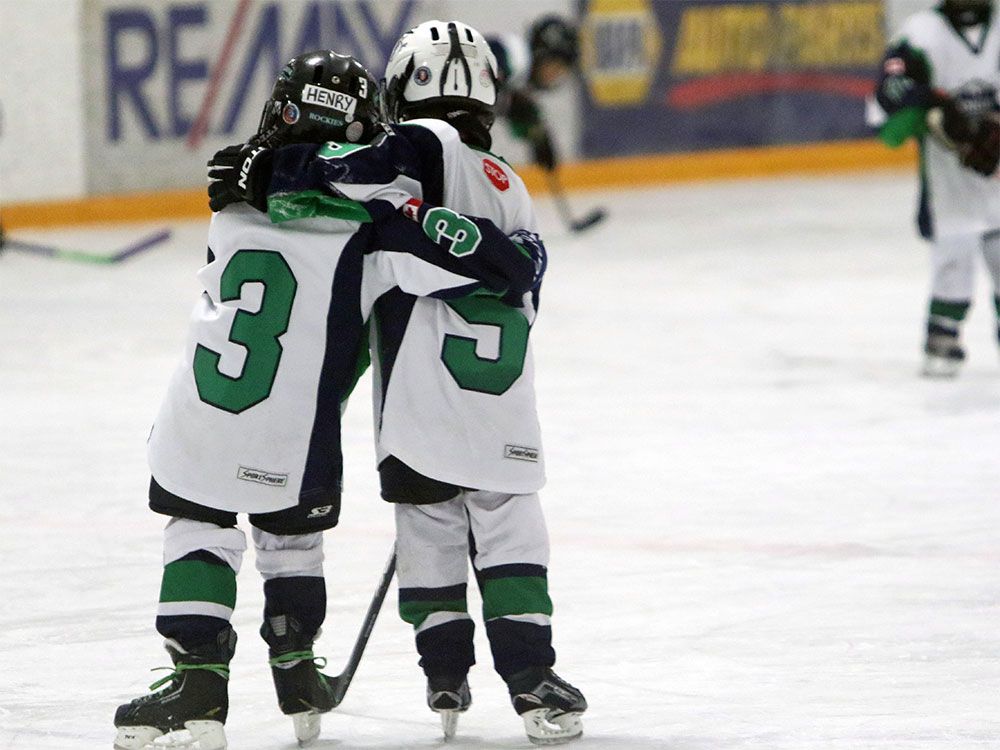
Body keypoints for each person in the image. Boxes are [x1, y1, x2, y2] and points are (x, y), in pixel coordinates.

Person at [114, 49, 547, 750]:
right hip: (299, 431)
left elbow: (274, 189)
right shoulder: (369, 234)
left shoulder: (231, 195)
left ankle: (196, 684)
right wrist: (511, 252)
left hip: (202, 411)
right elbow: (475, 266)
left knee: (198, 524)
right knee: (291, 537)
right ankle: (297, 673)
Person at [211, 19, 587, 745]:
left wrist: (269, 170)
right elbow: (522, 271)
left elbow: (353, 166)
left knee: (430, 530)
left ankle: (444, 676)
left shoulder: (423, 146)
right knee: (510, 534)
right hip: (503, 412)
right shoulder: (508, 183)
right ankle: (532, 678)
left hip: (417, 407)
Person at [869, 0, 1000, 376]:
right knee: (953, 266)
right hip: (950, 187)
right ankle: (942, 341)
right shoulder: (921, 33)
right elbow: (891, 90)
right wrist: (932, 105)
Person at [486, 15, 580, 173]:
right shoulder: (514, 56)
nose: (557, 75)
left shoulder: (517, 77)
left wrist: (534, 132)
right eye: (557, 66)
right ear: (543, 55)